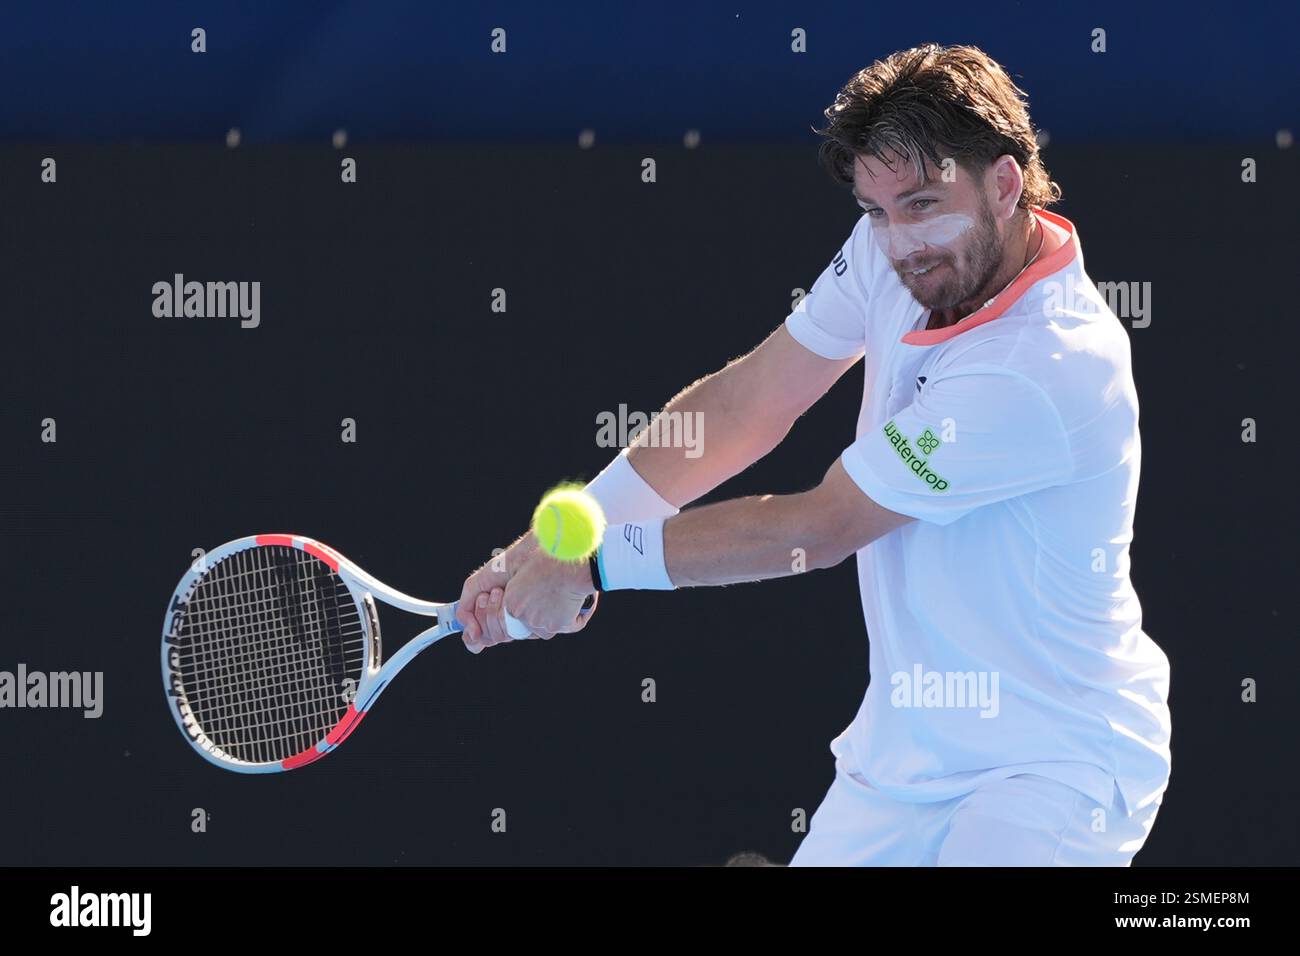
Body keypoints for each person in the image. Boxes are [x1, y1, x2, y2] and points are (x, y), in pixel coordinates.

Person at [455, 43, 1171, 866]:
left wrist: (594, 566)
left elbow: (820, 528)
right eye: (876, 209)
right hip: (902, 757)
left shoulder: (1044, 366)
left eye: (923, 205)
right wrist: (550, 545)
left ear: (1005, 184)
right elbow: (745, 405)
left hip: (1055, 769)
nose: (901, 243)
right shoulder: (892, 249)